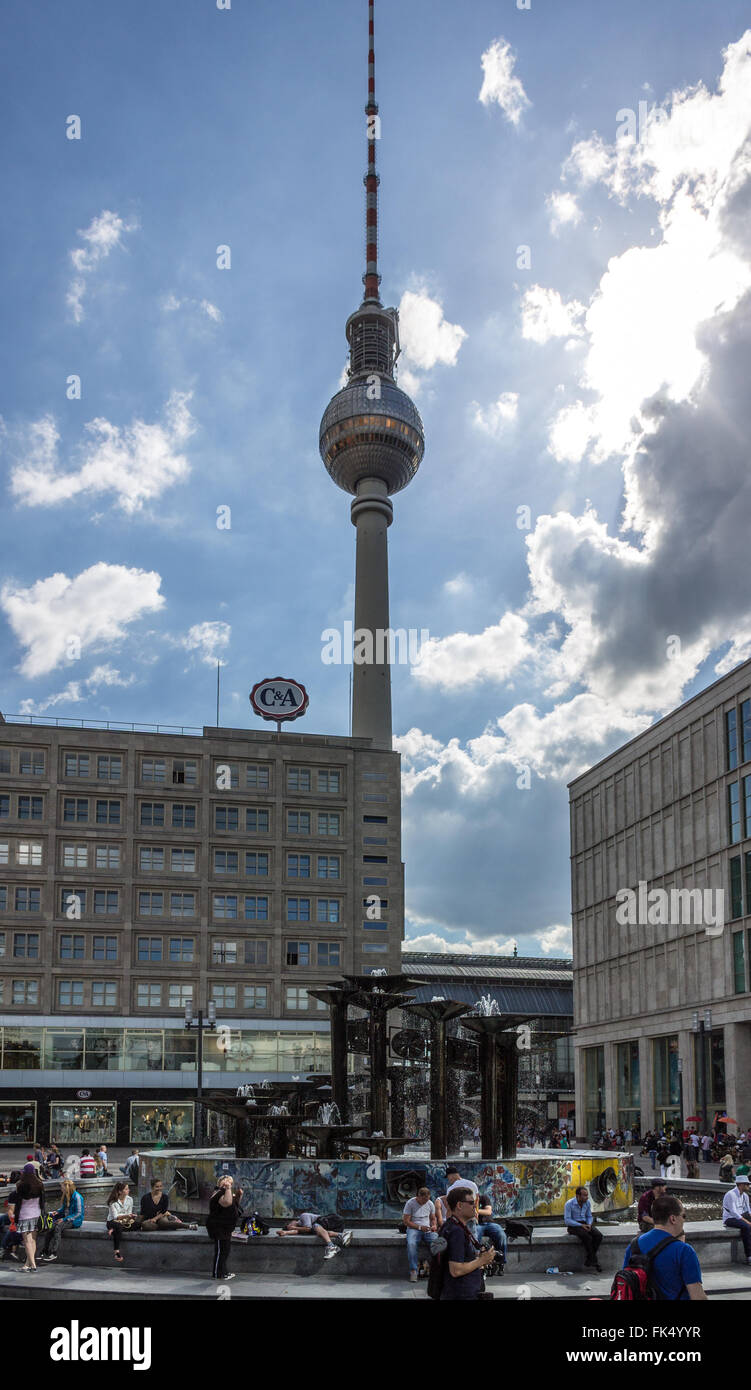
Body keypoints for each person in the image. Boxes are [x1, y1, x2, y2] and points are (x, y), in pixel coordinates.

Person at [622, 1195, 707, 1300]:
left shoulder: (634, 1245)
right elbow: (697, 1296)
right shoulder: (684, 1251)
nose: (684, 1220)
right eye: (683, 1216)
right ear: (673, 1219)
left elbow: (627, 1284)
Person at [439, 1188, 496, 1300]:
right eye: (471, 1203)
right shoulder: (456, 1231)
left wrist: (477, 1259)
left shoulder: (451, 1226)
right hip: (460, 1293)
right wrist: (481, 1261)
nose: (475, 1206)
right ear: (459, 1205)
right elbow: (456, 1270)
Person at [207, 1175, 244, 1280]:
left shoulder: (226, 1193)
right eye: (225, 1181)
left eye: (230, 1182)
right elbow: (227, 1203)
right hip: (218, 1227)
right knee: (221, 1250)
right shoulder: (218, 1193)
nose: (228, 1182)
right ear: (219, 1183)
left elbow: (234, 1205)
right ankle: (217, 1273)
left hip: (226, 1227)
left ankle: (224, 1271)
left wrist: (238, 1196)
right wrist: (227, 1188)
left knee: (225, 1250)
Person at [402, 1186, 441, 1282]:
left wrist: (434, 1226)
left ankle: (437, 1270)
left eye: (427, 1199)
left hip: (427, 1229)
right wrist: (419, 1228)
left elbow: (432, 1218)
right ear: (417, 1196)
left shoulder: (430, 1203)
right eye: (423, 1200)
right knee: (411, 1244)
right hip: (414, 1228)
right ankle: (413, 1270)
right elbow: (406, 1221)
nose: (425, 1202)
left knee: (438, 1244)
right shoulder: (410, 1203)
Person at [277, 1211, 353, 1260]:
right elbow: (296, 1231)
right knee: (322, 1233)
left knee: (315, 1226)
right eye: (289, 1228)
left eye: (289, 1225)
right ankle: (342, 1235)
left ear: (292, 1221)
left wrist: (293, 1227)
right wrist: (285, 1233)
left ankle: (331, 1246)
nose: (290, 1227)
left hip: (333, 1220)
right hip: (335, 1228)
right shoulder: (300, 1228)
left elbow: (307, 1228)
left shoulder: (303, 1216)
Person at [11, 1162, 45, 1272]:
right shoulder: (40, 1184)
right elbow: (43, 1201)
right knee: (33, 1239)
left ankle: (33, 1265)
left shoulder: (20, 1185)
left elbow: (18, 1202)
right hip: (36, 1214)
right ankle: (28, 1264)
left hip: (24, 1215)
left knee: (27, 1241)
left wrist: (15, 1217)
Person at [40, 1178, 84, 1261]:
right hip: (65, 1218)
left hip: (75, 1221)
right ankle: (45, 1250)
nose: (61, 1189)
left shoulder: (77, 1197)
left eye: (62, 1187)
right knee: (50, 1227)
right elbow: (63, 1209)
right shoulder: (66, 1195)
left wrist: (64, 1219)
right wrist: (57, 1212)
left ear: (67, 1188)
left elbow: (78, 1213)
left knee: (57, 1227)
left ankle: (54, 1252)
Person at [564, 1186, 603, 1271]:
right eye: (584, 1195)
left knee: (598, 1235)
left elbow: (589, 1216)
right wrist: (580, 1225)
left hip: (585, 1223)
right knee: (587, 1237)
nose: (587, 1197)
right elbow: (567, 1220)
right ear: (578, 1196)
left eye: (587, 1195)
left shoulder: (587, 1203)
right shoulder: (569, 1204)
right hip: (573, 1225)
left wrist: (589, 1224)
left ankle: (590, 1259)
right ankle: (594, 1261)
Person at [722, 1174, 751, 1263]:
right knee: (746, 1227)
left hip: (740, 1216)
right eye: (747, 1184)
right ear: (741, 1184)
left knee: (747, 1224)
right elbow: (734, 1212)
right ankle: (749, 1256)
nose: (749, 1186)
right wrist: (746, 1221)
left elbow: (748, 1210)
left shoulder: (745, 1196)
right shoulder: (731, 1194)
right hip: (730, 1218)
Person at [106, 1180, 134, 1263]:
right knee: (118, 1226)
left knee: (138, 1224)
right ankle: (116, 1252)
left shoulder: (130, 1199)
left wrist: (130, 1217)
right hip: (113, 1221)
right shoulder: (113, 1202)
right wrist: (127, 1216)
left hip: (124, 1221)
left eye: (128, 1189)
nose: (128, 1190)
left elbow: (129, 1213)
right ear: (120, 1191)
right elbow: (115, 1217)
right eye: (126, 1189)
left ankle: (113, 1230)